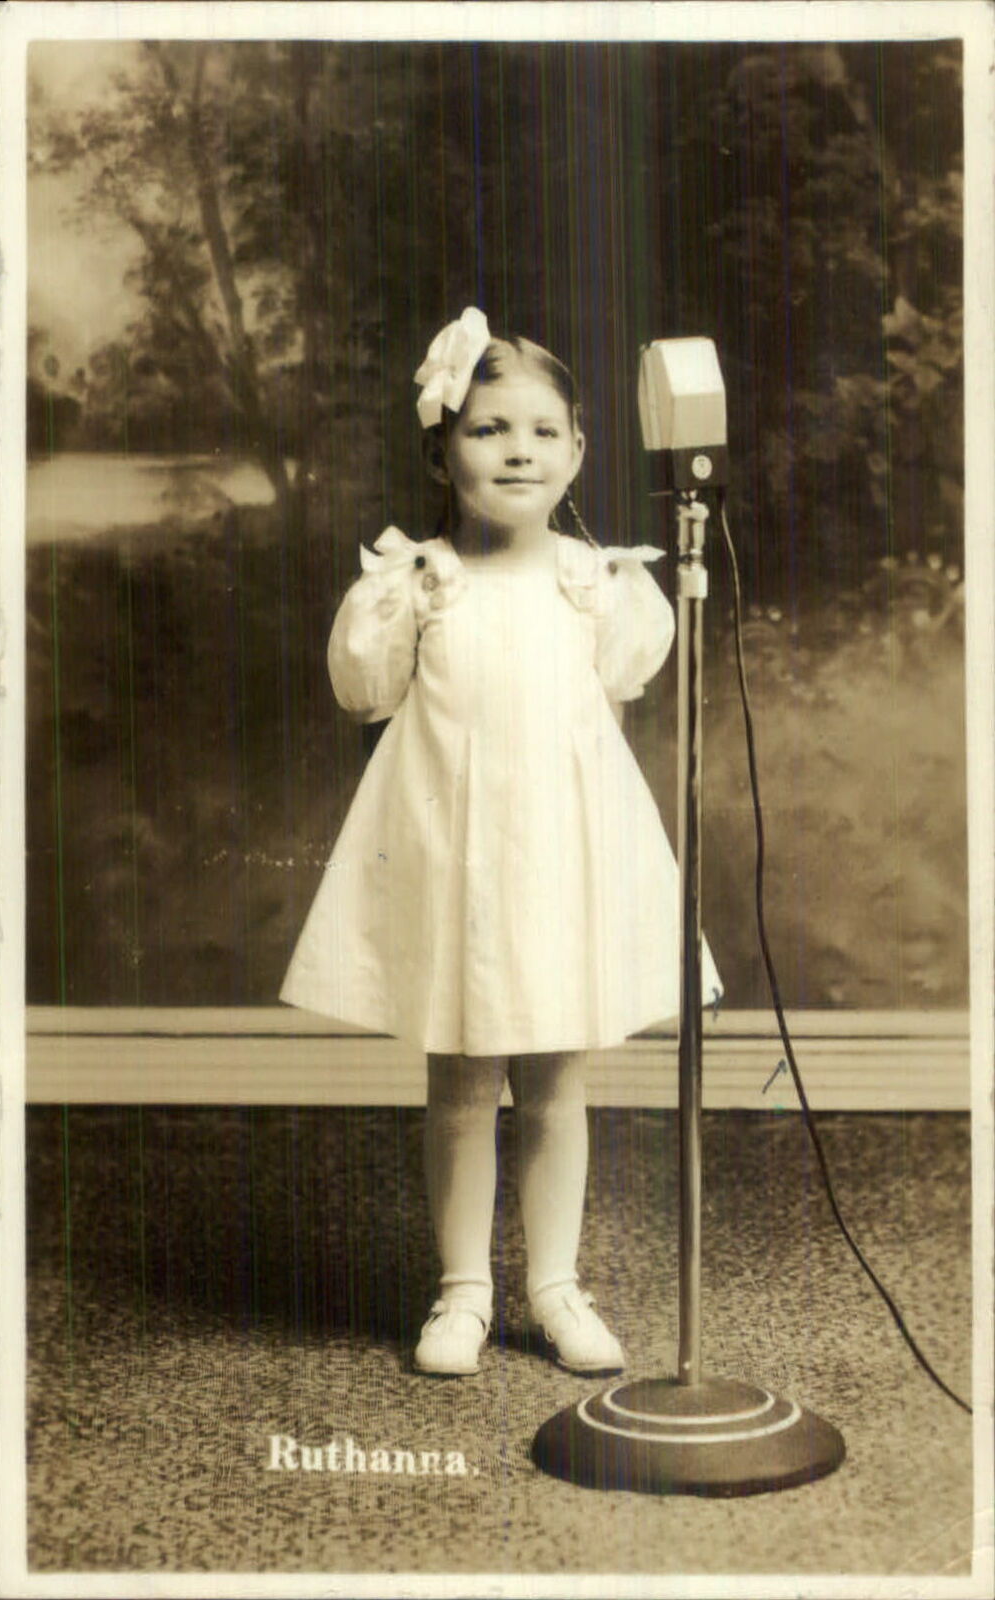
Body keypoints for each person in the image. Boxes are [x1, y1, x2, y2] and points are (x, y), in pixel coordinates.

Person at [281, 307, 721, 1377]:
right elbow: (365, 692)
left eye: (538, 429)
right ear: (441, 449)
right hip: (452, 854)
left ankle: (556, 1285)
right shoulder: (416, 580)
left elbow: (620, 679)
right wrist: (394, 613)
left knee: (557, 1082)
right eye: (485, 429)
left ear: (576, 449)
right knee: (462, 1083)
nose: (515, 449)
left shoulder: (593, 580)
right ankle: (462, 1289)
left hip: (561, 853)